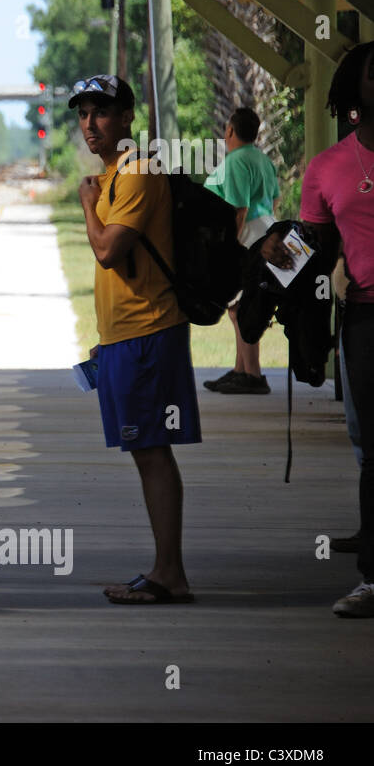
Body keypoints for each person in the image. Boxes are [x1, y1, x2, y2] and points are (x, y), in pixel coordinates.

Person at [73, 73, 201, 604]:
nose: (89, 123)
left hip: (149, 331)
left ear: (127, 117)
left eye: (101, 111)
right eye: (82, 113)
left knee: (151, 452)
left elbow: (108, 251)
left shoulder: (138, 170)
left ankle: (169, 572)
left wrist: (86, 204)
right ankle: (165, 568)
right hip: (126, 336)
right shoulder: (115, 174)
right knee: (145, 449)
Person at [262, 42, 374, 616]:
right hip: (366, 316)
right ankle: (373, 578)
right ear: (357, 90)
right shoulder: (329, 167)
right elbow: (312, 244)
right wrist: (266, 271)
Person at [202, 107, 280, 395]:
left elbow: (239, 208)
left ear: (230, 131)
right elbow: (274, 201)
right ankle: (241, 370)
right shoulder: (263, 160)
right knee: (240, 307)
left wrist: (229, 247)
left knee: (242, 308)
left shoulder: (235, 162)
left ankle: (253, 374)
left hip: (245, 238)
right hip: (265, 233)